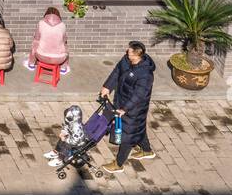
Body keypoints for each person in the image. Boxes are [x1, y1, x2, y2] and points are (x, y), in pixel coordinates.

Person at [100, 42, 157, 173]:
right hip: (122, 100)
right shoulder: (126, 59)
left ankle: (118, 164)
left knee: (127, 136)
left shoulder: (145, 75)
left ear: (137, 55)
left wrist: (124, 109)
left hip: (134, 109)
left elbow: (139, 95)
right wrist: (107, 86)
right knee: (137, 129)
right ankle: (147, 150)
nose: (127, 51)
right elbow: (117, 72)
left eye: (130, 51)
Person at [26, 6, 70, 75]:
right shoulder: (63, 25)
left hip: (41, 56)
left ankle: (31, 65)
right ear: (58, 15)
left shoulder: (41, 23)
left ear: (46, 14)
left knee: (35, 43)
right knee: (66, 47)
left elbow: (36, 39)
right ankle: (63, 69)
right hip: (59, 59)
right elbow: (64, 41)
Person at [43, 104, 86, 169]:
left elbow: (75, 141)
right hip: (72, 138)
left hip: (78, 143)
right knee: (62, 139)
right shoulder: (72, 122)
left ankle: (60, 158)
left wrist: (65, 139)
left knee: (66, 145)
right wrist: (63, 132)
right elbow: (66, 126)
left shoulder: (77, 128)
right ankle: (56, 152)